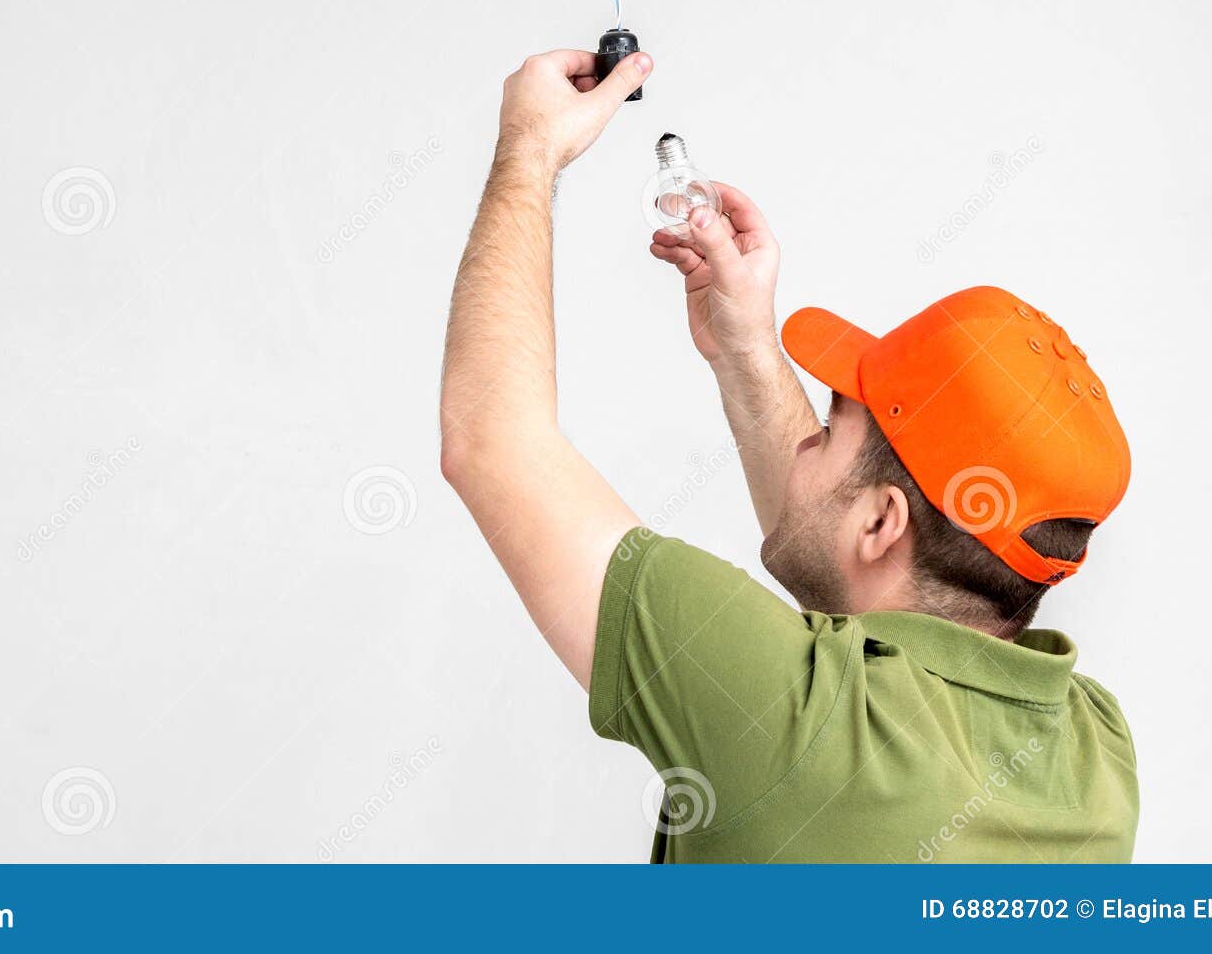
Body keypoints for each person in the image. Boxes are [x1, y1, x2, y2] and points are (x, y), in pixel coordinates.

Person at [440, 48, 1136, 862]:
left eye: (832, 428)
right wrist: (744, 351)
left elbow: (491, 441)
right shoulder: (1096, 756)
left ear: (882, 521)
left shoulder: (801, 724)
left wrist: (529, 152)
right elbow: (836, 549)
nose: (808, 441)